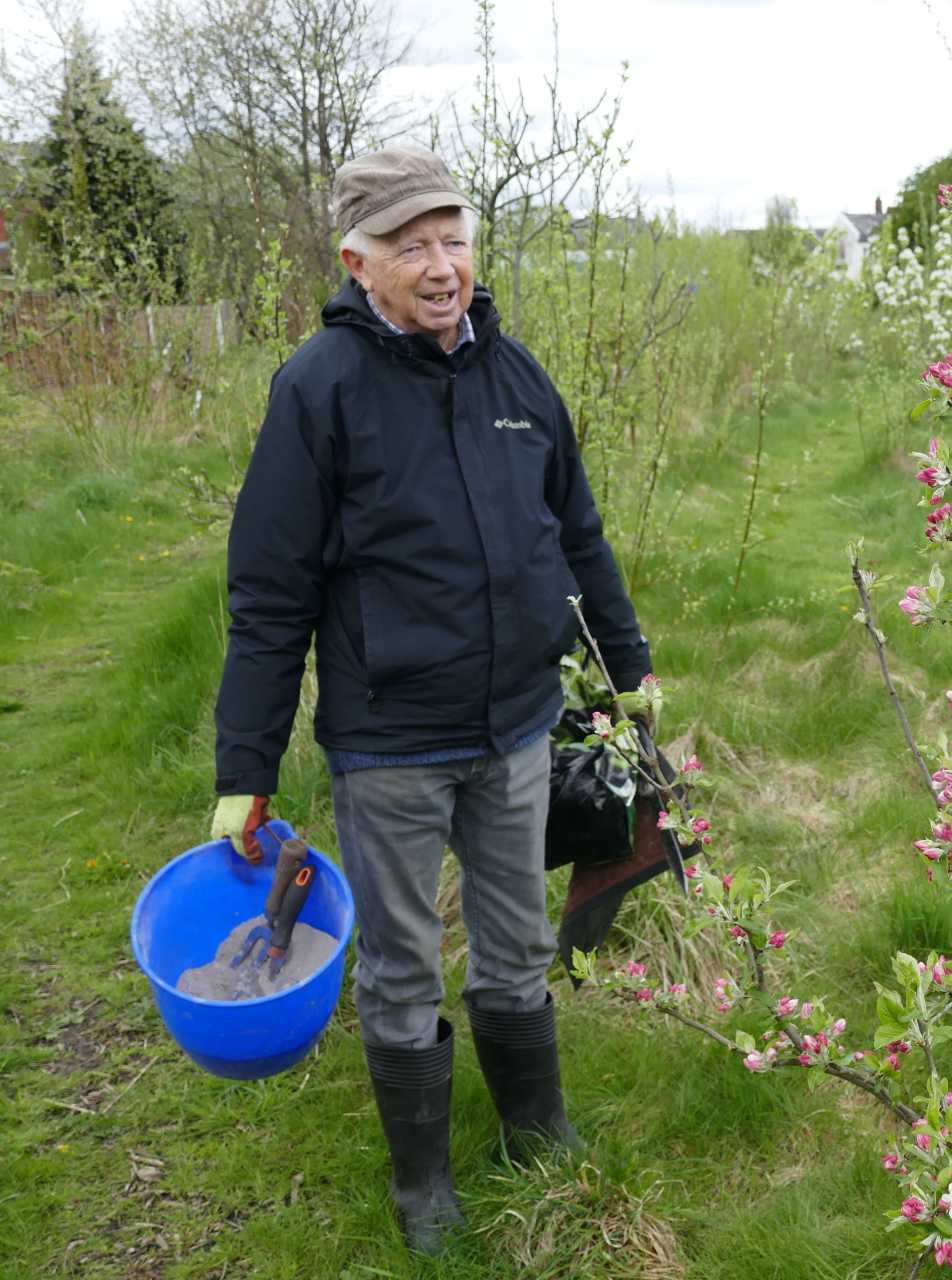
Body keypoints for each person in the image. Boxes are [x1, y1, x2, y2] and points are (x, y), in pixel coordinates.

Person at [207, 145, 652, 1254]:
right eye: (412, 247)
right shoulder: (319, 388)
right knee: (403, 964)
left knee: (517, 943)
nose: (443, 265)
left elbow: (578, 534)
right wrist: (245, 770)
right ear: (357, 262)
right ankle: (423, 1187)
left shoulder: (518, 378)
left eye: (454, 239)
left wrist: (628, 665)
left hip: (517, 728)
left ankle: (537, 1135)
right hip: (391, 743)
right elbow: (269, 592)